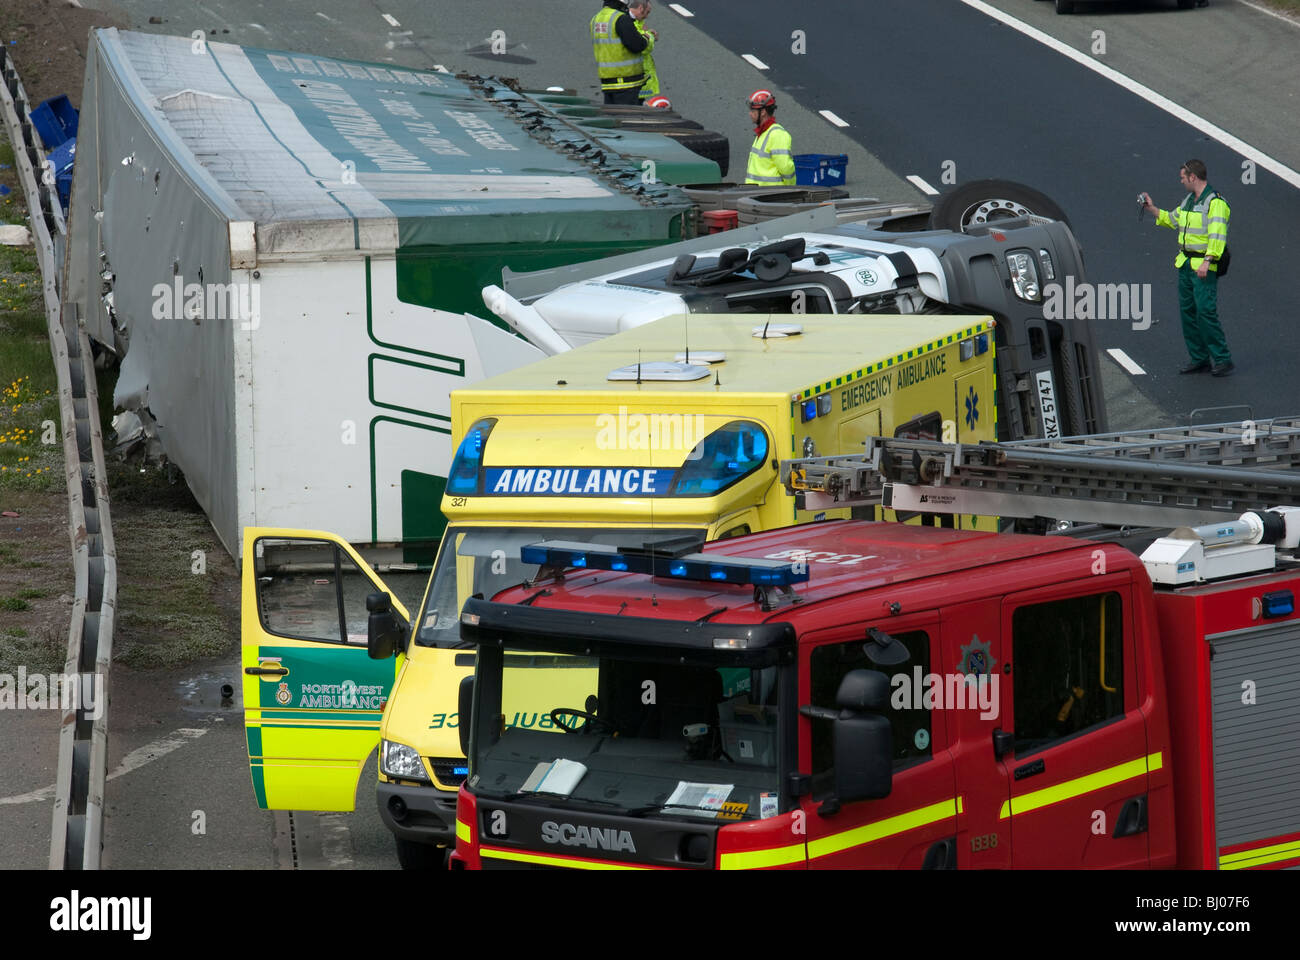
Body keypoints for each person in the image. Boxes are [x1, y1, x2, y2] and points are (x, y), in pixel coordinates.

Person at [1141, 159, 1233, 376]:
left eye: (1183, 177)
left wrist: (1207, 261)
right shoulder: (1189, 201)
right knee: (1188, 313)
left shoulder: (1215, 203)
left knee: (1205, 312)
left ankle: (1222, 358)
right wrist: (1152, 208)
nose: (1180, 180)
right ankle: (1199, 358)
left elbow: (1217, 235)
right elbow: (1173, 220)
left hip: (1203, 265)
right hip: (1186, 264)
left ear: (1193, 177)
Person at [590, 0, 652, 105]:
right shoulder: (620, 18)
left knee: (613, 118)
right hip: (626, 83)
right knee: (628, 118)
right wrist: (647, 37)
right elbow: (637, 45)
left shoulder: (596, 19)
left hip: (607, 81)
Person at [744, 90, 795, 187]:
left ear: (763, 112)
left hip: (771, 196)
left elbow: (786, 168)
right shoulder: (762, 133)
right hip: (756, 193)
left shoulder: (777, 135)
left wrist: (791, 190)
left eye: (753, 111)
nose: (750, 114)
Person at [630, 1, 660, 103]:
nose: (646, 16)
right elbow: (643, 46)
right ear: (640, 8)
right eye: (647, 12)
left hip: (639, 80)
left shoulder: (637, 24)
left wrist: (647, 34)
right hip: (635, 79)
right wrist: (650, 36)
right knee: (634, 109)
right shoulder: (630, 23)